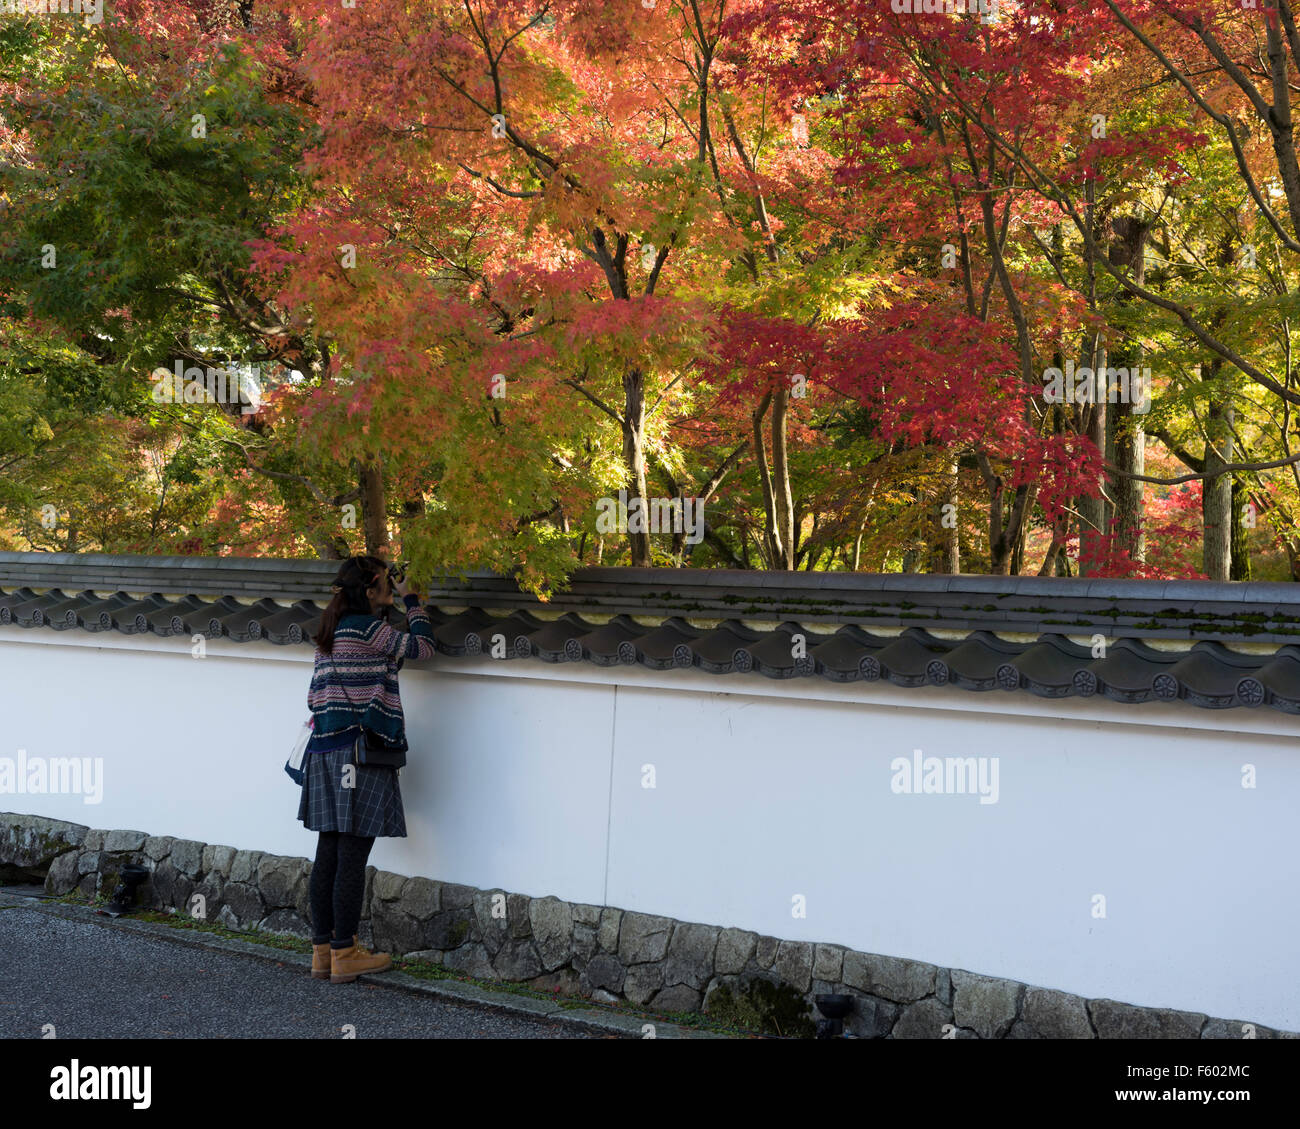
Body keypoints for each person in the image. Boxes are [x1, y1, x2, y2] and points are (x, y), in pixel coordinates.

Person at [298, 554, 436, 984]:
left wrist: (391, 605)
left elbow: (387, 661)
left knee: (329, 854)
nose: (392, 589)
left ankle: (323, 951)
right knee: (352, 858)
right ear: (373, 585)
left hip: (325, 752)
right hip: (358, 754)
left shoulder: (334, 628)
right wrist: (413, 601)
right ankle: (346, 953)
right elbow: (421, 648)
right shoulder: (369, 629)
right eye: (387, 584)